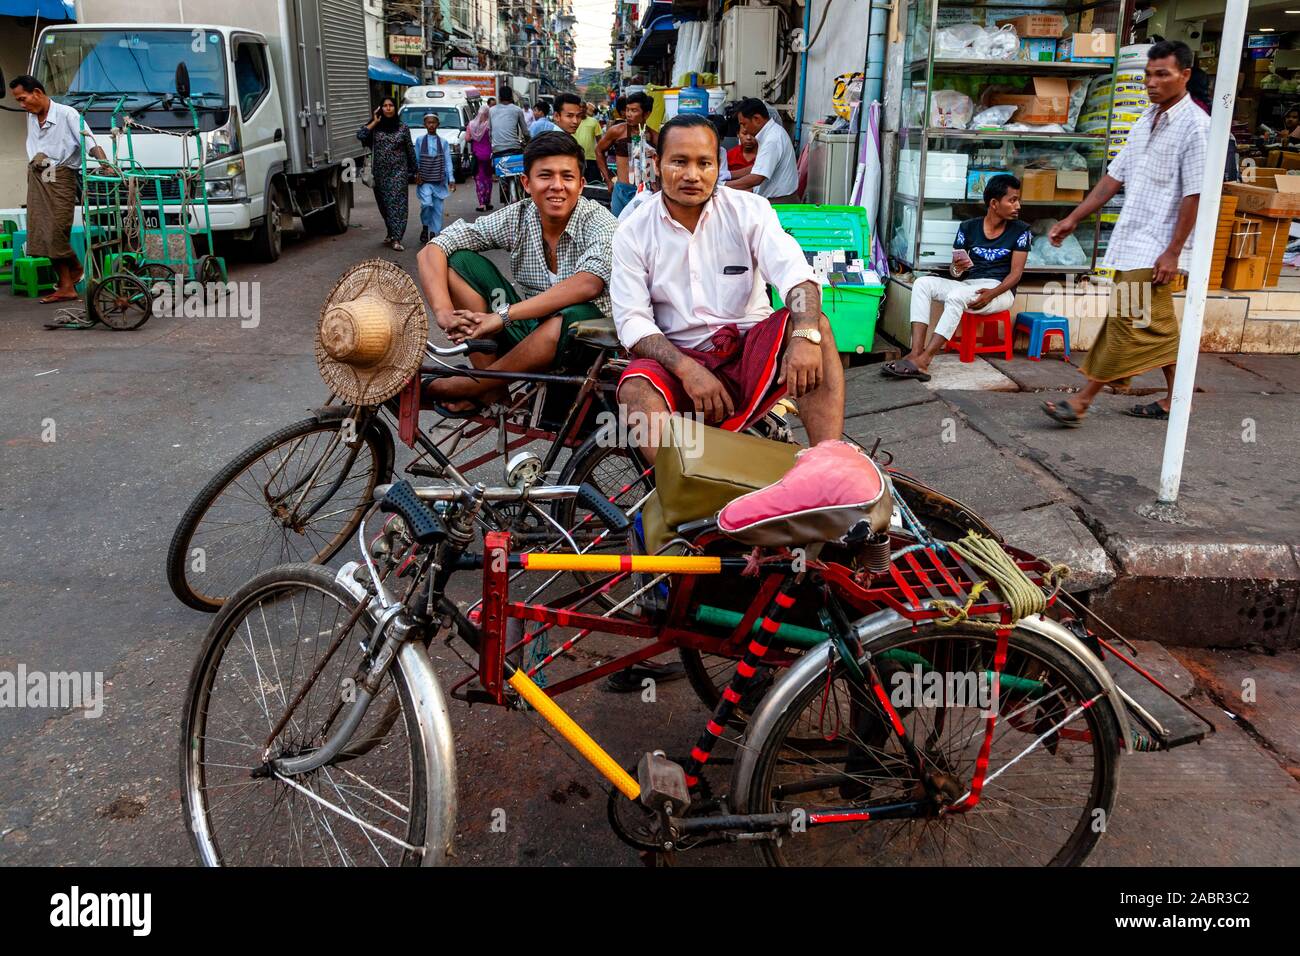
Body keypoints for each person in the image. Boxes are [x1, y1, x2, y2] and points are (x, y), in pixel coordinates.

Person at [611, 113, 843, 464]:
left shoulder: (749, 210)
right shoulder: (633, 229)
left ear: (717, 165)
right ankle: (683, 495)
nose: (692, 174)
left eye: (704, 163)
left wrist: (805, 333)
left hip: (750, 349)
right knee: (635, 390)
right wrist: (688, 370)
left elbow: (794, 273)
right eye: (679, 162)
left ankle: (827, 466)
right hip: (677, 358)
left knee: (817, 329)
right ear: (657, 164)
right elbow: (632, 320)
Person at [1042, 40, 1207, 427]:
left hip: (1157, 247)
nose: (1152, 82)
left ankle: (1082, 401)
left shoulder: (1196, 127)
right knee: (1154, 327)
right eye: (1148, 75)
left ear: (1184, 75)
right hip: (1133, 239)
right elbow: (1113, 178)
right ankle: (1176, 400)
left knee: (1127, 320)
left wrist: (1173, 251)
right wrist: (1073, 219)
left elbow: (1195, 194)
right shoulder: (1146, 118)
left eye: (1162, 74)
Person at [416, 132, 617, 410]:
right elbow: (433, 248)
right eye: (545, 176)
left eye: (567, 177)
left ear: (581, 185)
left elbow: (588, 285)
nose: (557, 186)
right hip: (533, 336)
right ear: (526, 183)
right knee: (460, 262)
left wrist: (502, 316)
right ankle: (493, 392)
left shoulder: (599, 221)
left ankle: (478, 384)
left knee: (573, 314)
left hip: (590, 347)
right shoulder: (520, 216)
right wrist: (443, 312)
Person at [882, 174, 1029, 382]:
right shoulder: (968, 228)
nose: (1018, 206)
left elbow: (1016, 274)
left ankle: (925, 360)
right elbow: (955, 273)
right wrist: (957, 269)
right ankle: (915, 352)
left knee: (957, 295)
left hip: (1000, 291)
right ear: (994, 203)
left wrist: (991, 295)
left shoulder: (1021, 231)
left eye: (1017, 200)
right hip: (970, 285)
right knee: (922, 283)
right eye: (1012, 200)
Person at [9, 75, 110, 303]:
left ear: (37, 92)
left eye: (23, 99)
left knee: (56, 230)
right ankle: (66, 286)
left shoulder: (67, 114)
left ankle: (75, 266)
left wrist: (105, 164)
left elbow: (89, 141)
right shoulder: (32, 117)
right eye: (19, 101)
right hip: (38, 174)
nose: (22, 105)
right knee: (39, 232)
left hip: (61, 175)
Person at [358, 97, 417, 250]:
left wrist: (415, 170)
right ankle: (391, 232)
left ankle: (397, 238)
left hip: (399, 173)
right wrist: (374, 121)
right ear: (380, 109)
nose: (388, 108)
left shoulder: (403, 128)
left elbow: (410, 149)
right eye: (385, 106)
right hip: (380, 174)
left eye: (391, 105)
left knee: (398, 205)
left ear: (395, 108)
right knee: (385, 206)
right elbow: (361, 135)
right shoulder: (376, 128)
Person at [725, 97, 799, 203]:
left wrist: (723, 186)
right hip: (774, 199)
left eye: (744, 124)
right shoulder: (771, 134)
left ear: (757, 119)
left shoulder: (772, 140)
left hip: (779, 202)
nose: (744, 129)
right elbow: (758, 168)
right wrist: (729, 174)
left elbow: (756, 177)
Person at [596, 91, 657, 216]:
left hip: (646, 191)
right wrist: (607, 179)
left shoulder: (655, 137)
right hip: (621, 190)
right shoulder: (617, 131)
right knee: (617, 229)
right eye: (627, 110)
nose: (628, 114)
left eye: (634, 111)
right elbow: (599, 150)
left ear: (646, 114)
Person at [414, 113, 456, 245]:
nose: (431, 125)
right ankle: (425, 226)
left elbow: (448, 161)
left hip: (439, 180)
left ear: (438, 124)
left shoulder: (443, 142)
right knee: (426, 204)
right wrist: (417, 174)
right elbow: (417, 160)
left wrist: (451, 179)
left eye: (433, 122)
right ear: (424, 124)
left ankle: (433, 234)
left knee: (438, 209)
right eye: (428, 122)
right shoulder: (420, 141)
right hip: (425, 180)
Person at [489, 86, 530, 204]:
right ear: (511, 96)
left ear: (499, 97)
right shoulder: (517, 110)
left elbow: (490, 132)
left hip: (498, 150)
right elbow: (525, 132)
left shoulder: (492, 110)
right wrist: (529, 141)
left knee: (502, 174)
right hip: (514, 149)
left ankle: (504, 186)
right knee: (522, 171)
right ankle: (521, 190)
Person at [465, 103, 494, 212]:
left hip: (477, 155)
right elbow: (493, 138)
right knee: (488, 178)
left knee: (479, 179)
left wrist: (474, 137)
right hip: (489, 155)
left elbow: (467, 139)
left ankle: (482, 204)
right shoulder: (489, 125)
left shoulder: (471, 125)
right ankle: (488, 202)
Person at [574, 99, 605, 182]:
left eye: (584, 107)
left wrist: (602, 156)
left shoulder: (594, 122)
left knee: (594, 183)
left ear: (586, 108)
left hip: (591, 158)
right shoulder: (573, 122)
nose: (582, 109)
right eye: (579, 107)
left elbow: (600, 141)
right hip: (575, 158)